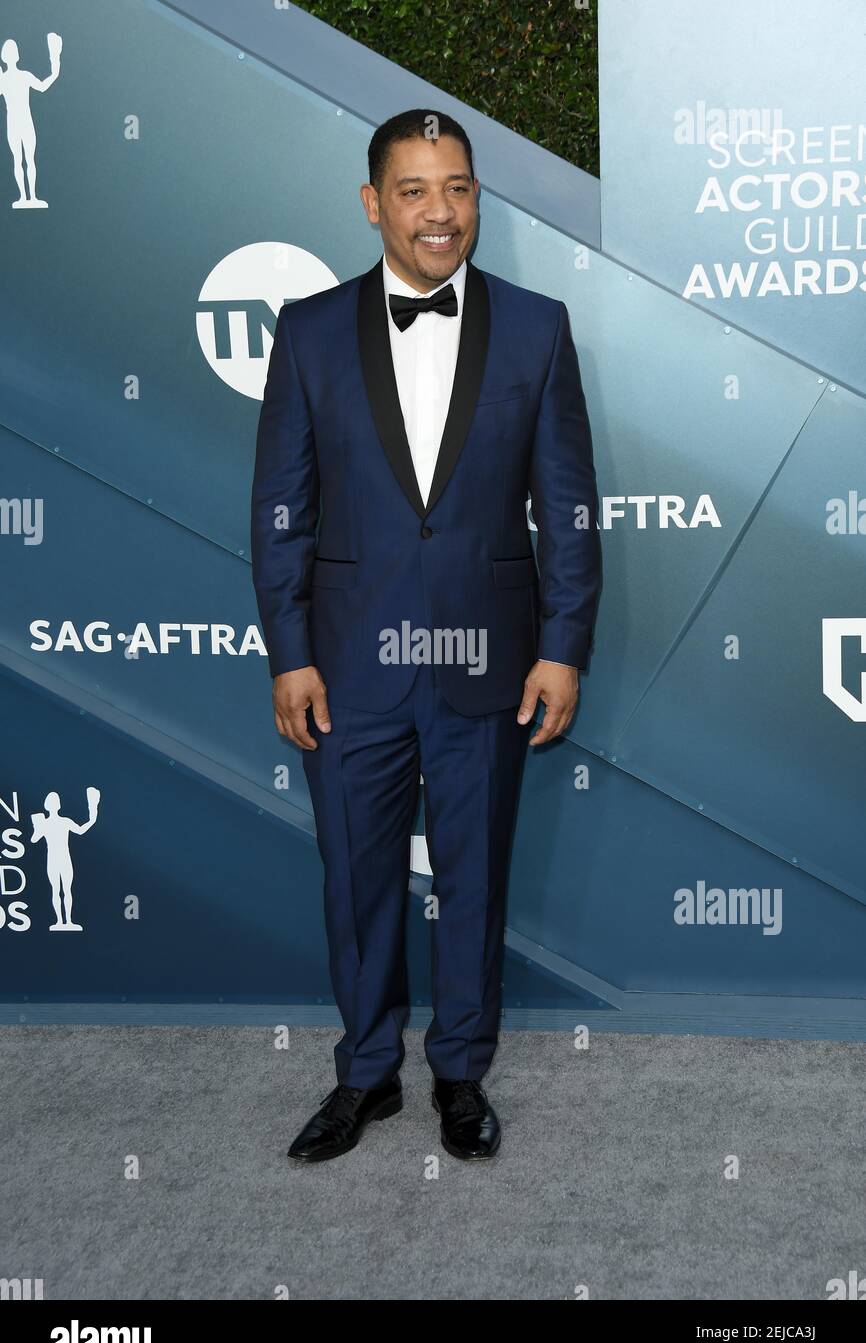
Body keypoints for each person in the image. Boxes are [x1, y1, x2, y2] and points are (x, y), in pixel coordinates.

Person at [251, 109, 601, 1163]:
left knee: (473, 876)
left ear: (476, 199)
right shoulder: (307, 331)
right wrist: (289, 651)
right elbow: (281, 505)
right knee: (355, 881)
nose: (439, 211)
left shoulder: (537, 329)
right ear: (373, 204)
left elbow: (567, 504)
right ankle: (364, 1075)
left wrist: (563, 642)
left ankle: (458, 1070)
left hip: (488, 665)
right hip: (348, 669)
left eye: (456, 187)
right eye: (413, 190)